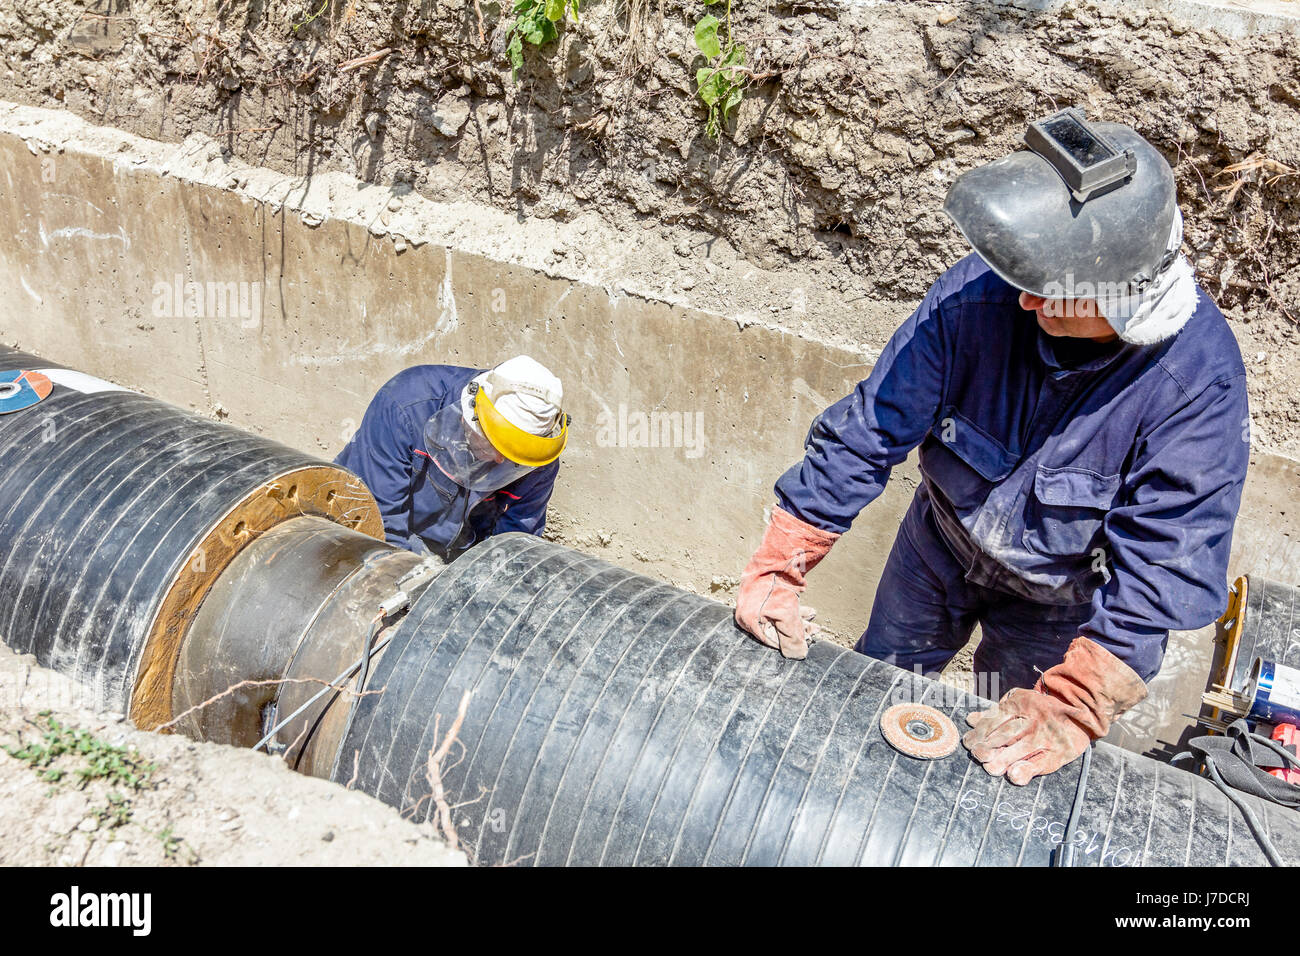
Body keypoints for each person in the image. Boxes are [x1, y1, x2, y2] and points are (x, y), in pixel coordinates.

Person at [734, 108, 1250, 785]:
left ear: (1123, 300)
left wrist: (1074, 705)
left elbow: (1162, 568)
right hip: (938, 548)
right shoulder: (977, 303)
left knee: (1001, 763)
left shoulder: (1196, 385)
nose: (1028, 304)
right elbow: (869, 430)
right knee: (877, 690)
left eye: (1053, 294)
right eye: (1025, 284)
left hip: (1059, 600)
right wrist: (780, 561)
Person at [336, 356, 567, 560]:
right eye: (494, 444)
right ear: (470, 413)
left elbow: (513, 549)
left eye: (513, 458)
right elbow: (377, 524)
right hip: (375, 533)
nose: (499, 461)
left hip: (456, 558)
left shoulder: (537, 457)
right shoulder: (407, 404)